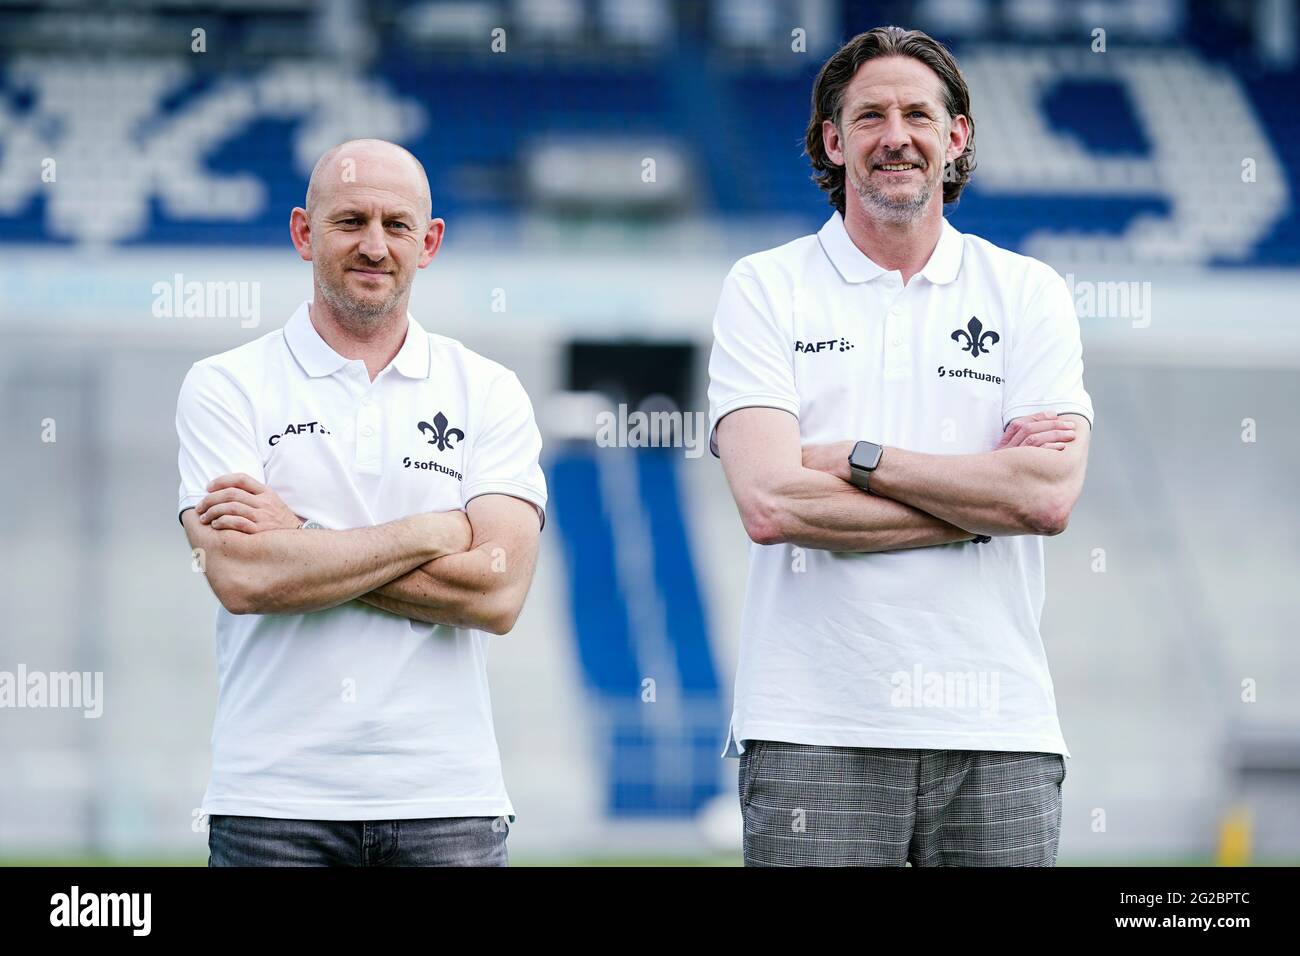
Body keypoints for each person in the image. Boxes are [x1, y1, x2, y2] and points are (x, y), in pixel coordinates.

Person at [707, 27, 1093, 866]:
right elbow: (771, 503)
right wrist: (980, 507)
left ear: (956, 137)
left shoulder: (1028, 292)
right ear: (833, 140)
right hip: (812, 728)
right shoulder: (765, 287)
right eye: (870, 115)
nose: (896, 136)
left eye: (919, 113)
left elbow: (1048, 497)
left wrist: (857, 458)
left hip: (1001, 729)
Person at [176, 139, 546, 866]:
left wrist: (301, 537)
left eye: (396, 225)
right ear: (302, 233)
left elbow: (498, 592)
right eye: (350, 221)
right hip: (272, 805)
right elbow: (244, 578)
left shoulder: (489, 390)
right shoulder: (225, 385)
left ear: (429, 242)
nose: (374, 245)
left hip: (447, 803)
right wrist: (438, 530)